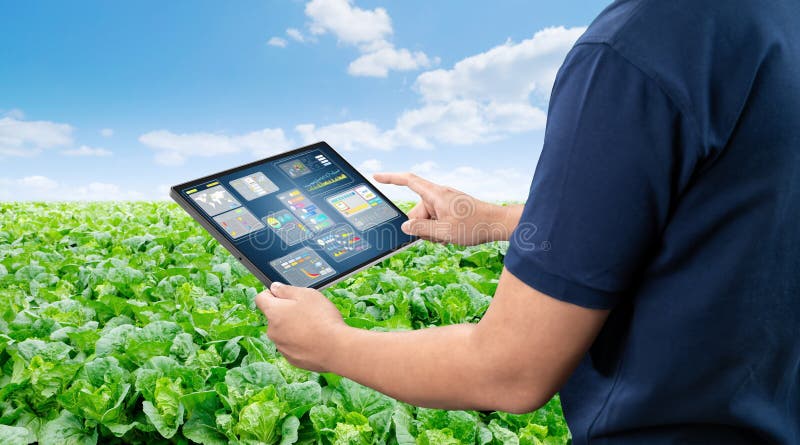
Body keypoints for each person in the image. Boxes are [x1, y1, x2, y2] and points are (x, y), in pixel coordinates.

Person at [255, 0, 800, 443]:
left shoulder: (634, 49)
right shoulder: (777, 21)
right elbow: (729, 211)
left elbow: (510, 370)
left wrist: (331, 344)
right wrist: (502, 219)